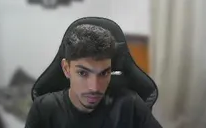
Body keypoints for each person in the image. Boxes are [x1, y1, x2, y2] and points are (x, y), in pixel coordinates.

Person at [25, 24, 163, 127]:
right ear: (66, 69)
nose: (95, 87)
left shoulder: (130, 105)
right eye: (83, 73)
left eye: (104, 73)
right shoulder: (44, 109)